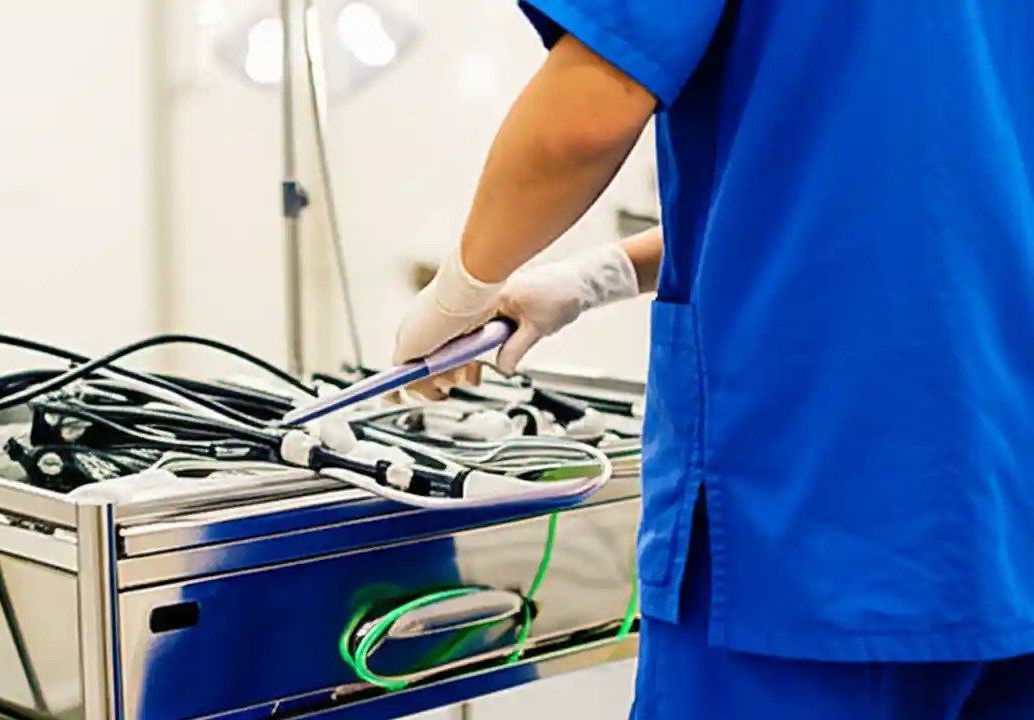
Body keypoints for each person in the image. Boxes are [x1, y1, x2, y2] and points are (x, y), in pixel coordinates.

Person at [392, 1, 1034, 718]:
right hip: (1003, 520)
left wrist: (460, 290)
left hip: (806, 519)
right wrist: (599, 275)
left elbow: (588, 115)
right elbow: (919, 184)